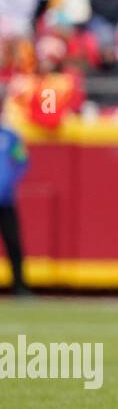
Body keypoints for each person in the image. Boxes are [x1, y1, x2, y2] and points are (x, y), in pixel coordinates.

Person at [0, 121, 30, 296]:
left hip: (6, 200)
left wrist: (10, 182)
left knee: (13, 242)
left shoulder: (9, 136)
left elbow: (22, 160)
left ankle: (19, 285)